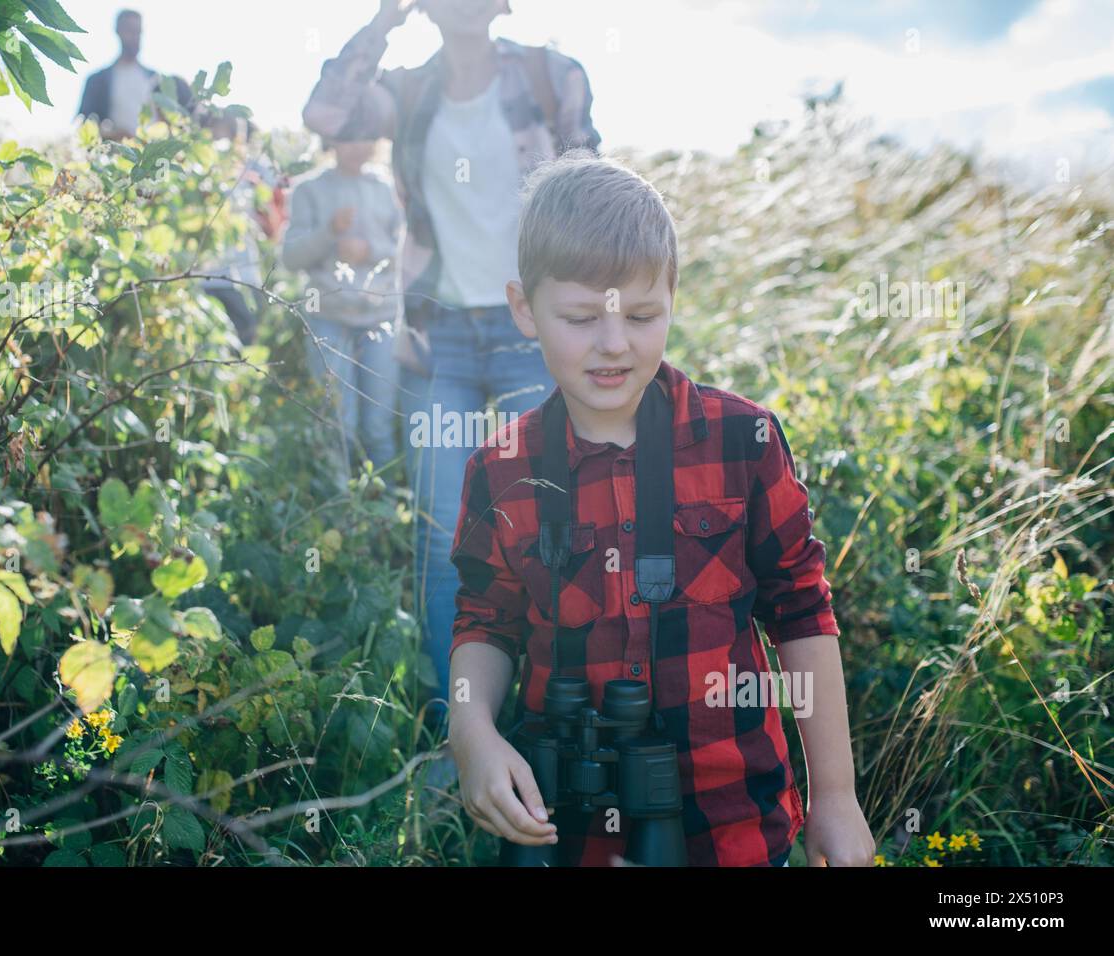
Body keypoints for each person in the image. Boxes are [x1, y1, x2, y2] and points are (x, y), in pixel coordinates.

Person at [445, 150, 876, 867]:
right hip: (566, 830)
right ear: (524, 308)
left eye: (642, 314)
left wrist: (836, 796)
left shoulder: (745, 439)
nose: (614, 344)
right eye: (580, 317)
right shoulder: (502, 468)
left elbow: (802, 610)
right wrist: (473, 733)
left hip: (734, 817)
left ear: (674, 294)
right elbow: (485, 621)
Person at [301, 0, 601, 735]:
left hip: (534, 331)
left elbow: (599, 201)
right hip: (442, 341)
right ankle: (460, 726)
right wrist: (382, 19)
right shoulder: (406, 91)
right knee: (443, 534)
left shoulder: (549, 73)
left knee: (553, 526)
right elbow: (327, 114)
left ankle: (560, 713)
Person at [279, 136, 404, 479]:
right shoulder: (309, 190)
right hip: (328, 321)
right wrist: (330, 233)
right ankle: (340, 508)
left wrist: (369, 249)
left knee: (378, 423)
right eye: (350, 136)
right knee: (339, 423)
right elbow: (290, 257)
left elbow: (403, 250)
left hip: (380, 319)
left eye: (364, 136)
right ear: (333, 139)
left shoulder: (386, 188)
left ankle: (385, 507)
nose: (357, 145)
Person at [201, 110, 275, 348]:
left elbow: (272, 213)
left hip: (240, 275)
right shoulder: (201, 168)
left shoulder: (255, 168)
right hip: (207, 278)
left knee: (243, 345)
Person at [77, 9, 192, 141]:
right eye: (130, 31)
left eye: (138, 32)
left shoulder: (156, 79)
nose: (135, 37)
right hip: (116, 156)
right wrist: (114, 135)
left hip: (155, 154)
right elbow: (83, 126)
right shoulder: (97, 80)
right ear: (118, 31)